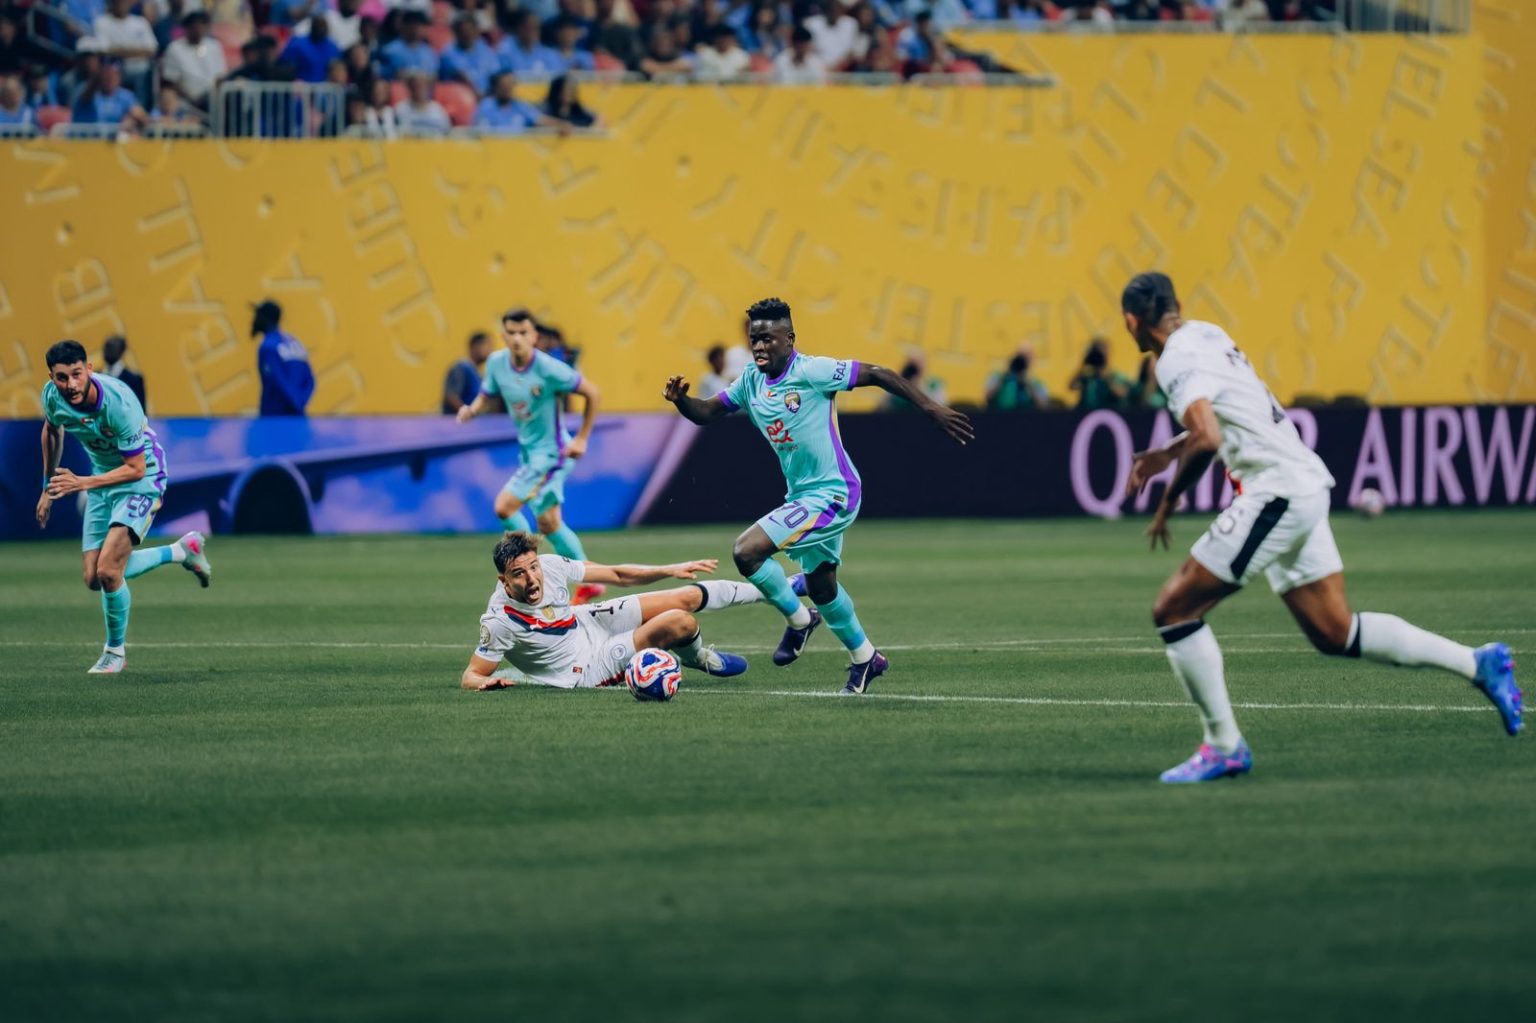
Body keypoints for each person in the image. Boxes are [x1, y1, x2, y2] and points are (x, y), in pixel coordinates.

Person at [1118, 271, 1521, 783]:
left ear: (1132, 322)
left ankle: (1223, 746)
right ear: (1176, 305)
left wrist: (1168, 502)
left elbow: (1207, 437)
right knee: (1336, 631)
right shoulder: (1208, 334)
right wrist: (1164, 452)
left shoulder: (1173, 360)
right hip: (1303, 481)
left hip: (1276, 490)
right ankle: (1477, 663)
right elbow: (1232, 414)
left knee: (1174, 609)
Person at [664, 297, 973, 694]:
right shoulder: (750, 382)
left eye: (768, 338)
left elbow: (877, 373)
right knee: (823, 585)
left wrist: (931, 408)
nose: (759, 346)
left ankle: (798, 618)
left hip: (834, 494)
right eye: (754, 339)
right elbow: (708, 412)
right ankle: (866, 659)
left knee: (746, 552)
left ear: (789, 339)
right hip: (801, 496)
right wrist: (682, 401)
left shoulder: (813, 371)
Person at [35, 340, 213, 675]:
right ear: (52, 377)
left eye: (76, 374)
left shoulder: (118, 402)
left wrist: (82, 483)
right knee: (93, 577)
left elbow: (135, 469)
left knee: (108, 571)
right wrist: (47, 488)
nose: (70, 385)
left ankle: (114, 653)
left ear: (89, 369)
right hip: (102, 480)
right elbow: (52, 431)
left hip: (142, 477)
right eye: (62, 377)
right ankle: (181, 551)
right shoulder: (52, 396)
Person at [461, 531, 756, 691]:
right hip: (587, 666)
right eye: (519, 573)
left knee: (688, 595)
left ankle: (777, 591)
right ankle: (698, 657)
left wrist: (669, 569)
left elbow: (617, 575)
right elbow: (471, 675)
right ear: (504, 580)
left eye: (533, 567)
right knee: (681, 623)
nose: (532, 578)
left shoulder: (549, 566)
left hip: (586, 622)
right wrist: (484, 681)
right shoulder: (500, 621)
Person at [457, 307, 602, 593]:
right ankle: (593, 582)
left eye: (523, 333)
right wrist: (471, 410)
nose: (517, 339)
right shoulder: (497, 363)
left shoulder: (548, 368)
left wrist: (582, 438)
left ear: (534, 336)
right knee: (548, 523)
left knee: (504, 506)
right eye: (511, 333)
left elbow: (592, 393)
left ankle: (527, 564)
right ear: (503, 335)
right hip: (529, 453)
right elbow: (487, 394)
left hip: (552, 454)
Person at [251, 299, 316, 416]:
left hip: (275, 418)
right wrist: (301, 401)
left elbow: (277, 380)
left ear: (266, 318)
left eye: (258, 315)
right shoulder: (295, 343)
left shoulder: (268, 346)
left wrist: (294, 401)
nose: (254, 320)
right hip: (298, 417)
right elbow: (310, 380)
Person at [160, 11, 226, 108]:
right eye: (194, 26)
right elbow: (171, 82)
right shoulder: (175, 48)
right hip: (188, 100)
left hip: (214, 98)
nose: (198, 29)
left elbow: (221, 75)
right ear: (187, 27)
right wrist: (192, 99)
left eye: (202, 25)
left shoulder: (214, 46)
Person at [474, 71, 558, 134]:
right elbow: (481, 132)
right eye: (504, 85)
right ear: (496, 87)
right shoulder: (486, 106)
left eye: (511, 85)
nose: (507, 89)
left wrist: (560, 125)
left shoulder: (521, 106)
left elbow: (539, 119)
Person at [439, 14, 500, 96]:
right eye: (463, 31)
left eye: (470, 30)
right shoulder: (448, 54)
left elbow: (495, 75)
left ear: (476, 31)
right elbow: (462, 78)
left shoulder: (484, 48)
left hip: (487, 96)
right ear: (456, 33)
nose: (467, 34)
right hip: (461, 98)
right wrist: (479, 96)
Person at [1069, 337, 1130, 410]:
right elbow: (1071, 386)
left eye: (1104, 350)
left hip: (1108, 413)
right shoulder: (1088, 376)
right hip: (1087, 414)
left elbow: (1122, 394)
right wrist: (1084, 363)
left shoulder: (1116, 376)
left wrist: (1106, 377)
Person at [280, 14, 343, 83]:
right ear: (312, 26)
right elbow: (284, 64)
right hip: (302, 88)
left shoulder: (333, 47)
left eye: (323, 26)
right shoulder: (298, 44)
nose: (320, 29)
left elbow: (339, 69)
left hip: (325, 89)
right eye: (318, 25)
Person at [985, 346, 1049, 411]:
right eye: (1020, 356)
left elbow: (1043, 405)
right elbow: (988, 397)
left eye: (1027, 357)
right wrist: (1005, 376)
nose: (1023, 361)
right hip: (1001, 417)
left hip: (1027, 418)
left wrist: (1027, 383)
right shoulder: (998, 377)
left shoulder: (1036, 383)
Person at [442, 330, 492, 413]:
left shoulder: (477, 373)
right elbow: (451, 396)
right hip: (458, 423)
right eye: (487, 346)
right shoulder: (461, 368)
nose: (490, 350)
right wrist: (467, 413)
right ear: (475, 346)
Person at [380, 10, 438, 79]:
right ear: (404, 26)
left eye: (420, 25)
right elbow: (381, 73)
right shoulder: (390, 50)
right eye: (413, 25)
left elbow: (434, 76)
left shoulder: (430, 52)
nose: (416, 29)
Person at [395, 69, 451, 134]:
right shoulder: (401, 109)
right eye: (416, 85)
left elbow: (447, 134)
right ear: (410, 87)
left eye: (423, 85)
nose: (420, 89)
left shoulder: (438, 110)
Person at [100, 334, 146, 408]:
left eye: (112, 348)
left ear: (122, 351)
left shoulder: (134, 380)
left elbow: (140, 411)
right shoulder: (95, 377)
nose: (107, 351)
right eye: (106, 347)